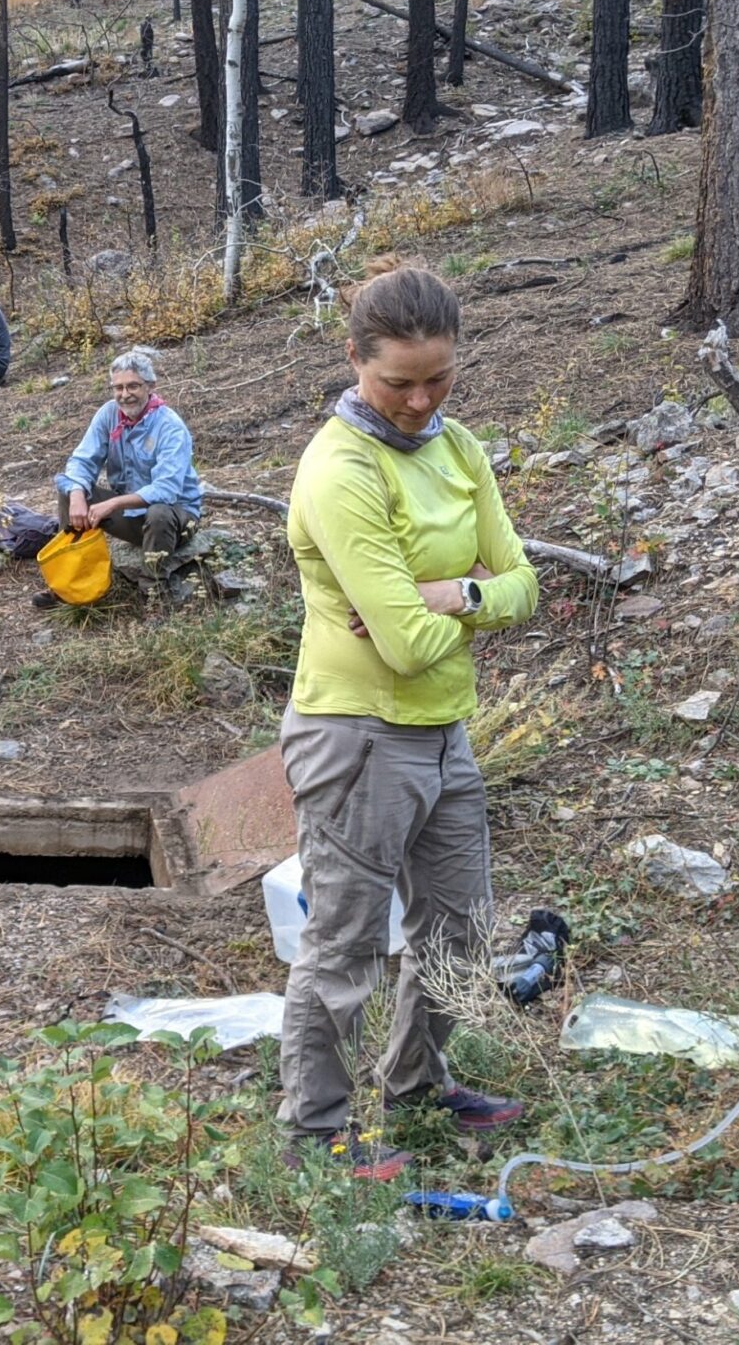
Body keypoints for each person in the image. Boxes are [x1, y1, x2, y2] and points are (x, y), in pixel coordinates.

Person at [277, 258, 539, 1179]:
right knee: (345, 942)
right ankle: (316, 1134)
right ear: (353, 359)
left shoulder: (459, 447)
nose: (421, 400)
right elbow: (401, 645)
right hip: (356, 733)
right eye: (399, 381)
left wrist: (450, 592)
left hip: (443, 730)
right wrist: (456, 608)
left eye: (439, 377)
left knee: (458, 926)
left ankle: (418, 1083)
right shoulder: (340, 468)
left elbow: (525, 582)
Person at [38, 351, 203, 608]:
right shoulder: (109, 414)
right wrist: (78, 495)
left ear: (150, 386)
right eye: (118, 387)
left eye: (133, 386)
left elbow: (167, 490)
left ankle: (154, 595)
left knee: (158, 512)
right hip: (131, 516)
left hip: (175, 519)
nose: (125, 394)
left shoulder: (170, 426)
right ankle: (70, 580)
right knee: (70, 491)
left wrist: (113, 504)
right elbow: (82, 460)